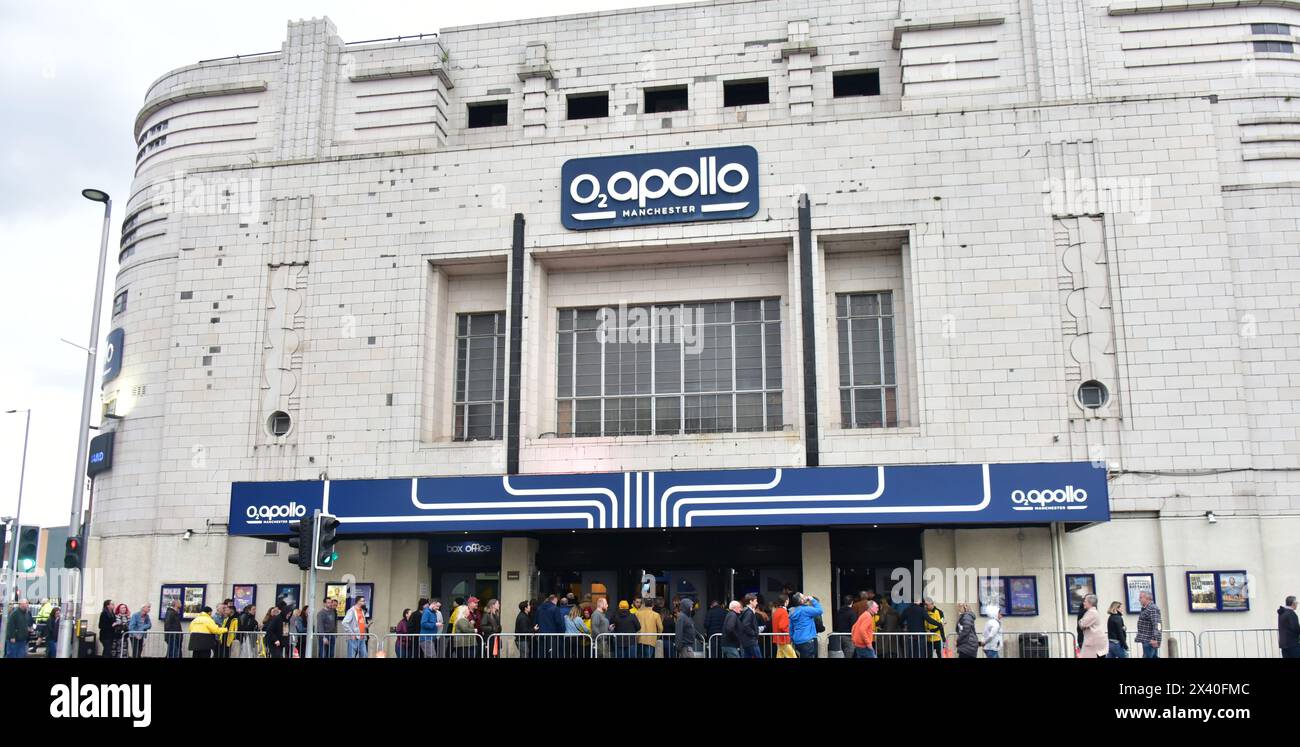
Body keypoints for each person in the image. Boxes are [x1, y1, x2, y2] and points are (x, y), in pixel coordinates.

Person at [787, 592, 823, 659]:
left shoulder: (792, 611)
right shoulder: (805, 610)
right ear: (801, 600)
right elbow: (820, 611)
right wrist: (812, 600)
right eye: (803, 596)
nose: (805, 597)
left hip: (797, 641)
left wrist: (792, 639)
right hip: (807, 641)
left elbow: (791, 628)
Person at [635, 594, 663, 658]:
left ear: (643, 604)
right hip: (651, 640)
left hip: (639, 639)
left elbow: (634, 626)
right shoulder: (656, 615)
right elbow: (660, 628)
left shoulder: (637, 613)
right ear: (653, 605)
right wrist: (657, 637)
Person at [1078, 594, 1107, 658]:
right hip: (1094, 643)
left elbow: (1082, 624)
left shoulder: (1092, 612)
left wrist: (1080, 621)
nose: (1083, 603)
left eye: (1085, 601)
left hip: (1094, 644)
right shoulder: (1092, 612)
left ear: (1090, 603)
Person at [1136, 591, 1162, 658]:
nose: (1139, 599)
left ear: (1147, 598)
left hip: (1149, 640)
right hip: (1146, 640)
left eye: (1141, 597)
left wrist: (1155, 639)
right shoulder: (1146, 609)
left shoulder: (1152, 608)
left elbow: (1157, 624)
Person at [737, 593, 762, 659]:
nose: (757, 602)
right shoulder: (749, 612)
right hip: (751, 641)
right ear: (751, 601)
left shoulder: (747, 611)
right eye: (755, 601)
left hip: (747, 640)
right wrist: (753, 633)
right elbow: (745, 625)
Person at [771, 594, 795, 658]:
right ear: (786, 601)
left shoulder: (776, 611)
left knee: (780, 656)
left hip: (778, 639)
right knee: (792, 656)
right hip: (783, 639)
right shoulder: (784, 612)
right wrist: (790, 632)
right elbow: (782, 626)